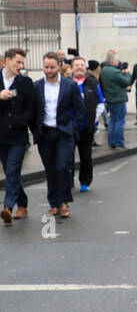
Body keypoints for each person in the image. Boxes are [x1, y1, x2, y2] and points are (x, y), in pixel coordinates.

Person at [33, 52, 83, 219]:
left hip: (64, 132)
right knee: (50, 170)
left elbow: (80, 109)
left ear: (59, 66)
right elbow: (33, 111)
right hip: (45, 133)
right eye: (46, 67)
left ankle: (64, 202)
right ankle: (53, 204)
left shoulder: (70, 86)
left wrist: (73, 128)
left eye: (52, 67)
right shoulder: (37, 86)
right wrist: (35, 130)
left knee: (62, 167)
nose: (48, 70)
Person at [1, 48, 36, 224]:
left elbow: (32, 108)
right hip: (1, 136)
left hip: (18, 136)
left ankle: (8, 207)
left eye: (22, 63)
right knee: (10, 172)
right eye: (18, 62)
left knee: (13, 170)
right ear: (7, 60)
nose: (21, 66)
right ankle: (23, 204)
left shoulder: (25, 82)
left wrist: (22, 121)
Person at [69, 57, 101, 192]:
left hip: (86, 128)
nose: (79, 67)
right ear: (72, 68)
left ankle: (85, 182)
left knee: (86, 156)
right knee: (67, 157)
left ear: (85, 68)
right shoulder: (66, 83)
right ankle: (68, 183)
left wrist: (93, 119)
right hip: (69, 128)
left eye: (82, 65)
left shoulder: (93, 83)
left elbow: (101, 103)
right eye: (76, 65)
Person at [98, 53, 131, 148]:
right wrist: (128, 73)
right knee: (120, 121)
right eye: (116, 60)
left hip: (109, 99)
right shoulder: (115, 72)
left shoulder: (104, 70)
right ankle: (119, 142)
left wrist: (121, 73)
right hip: (119, 99)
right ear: (112, 61)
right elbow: (127, 82)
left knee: (112, 121)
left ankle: (111, 142)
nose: (118, 62)